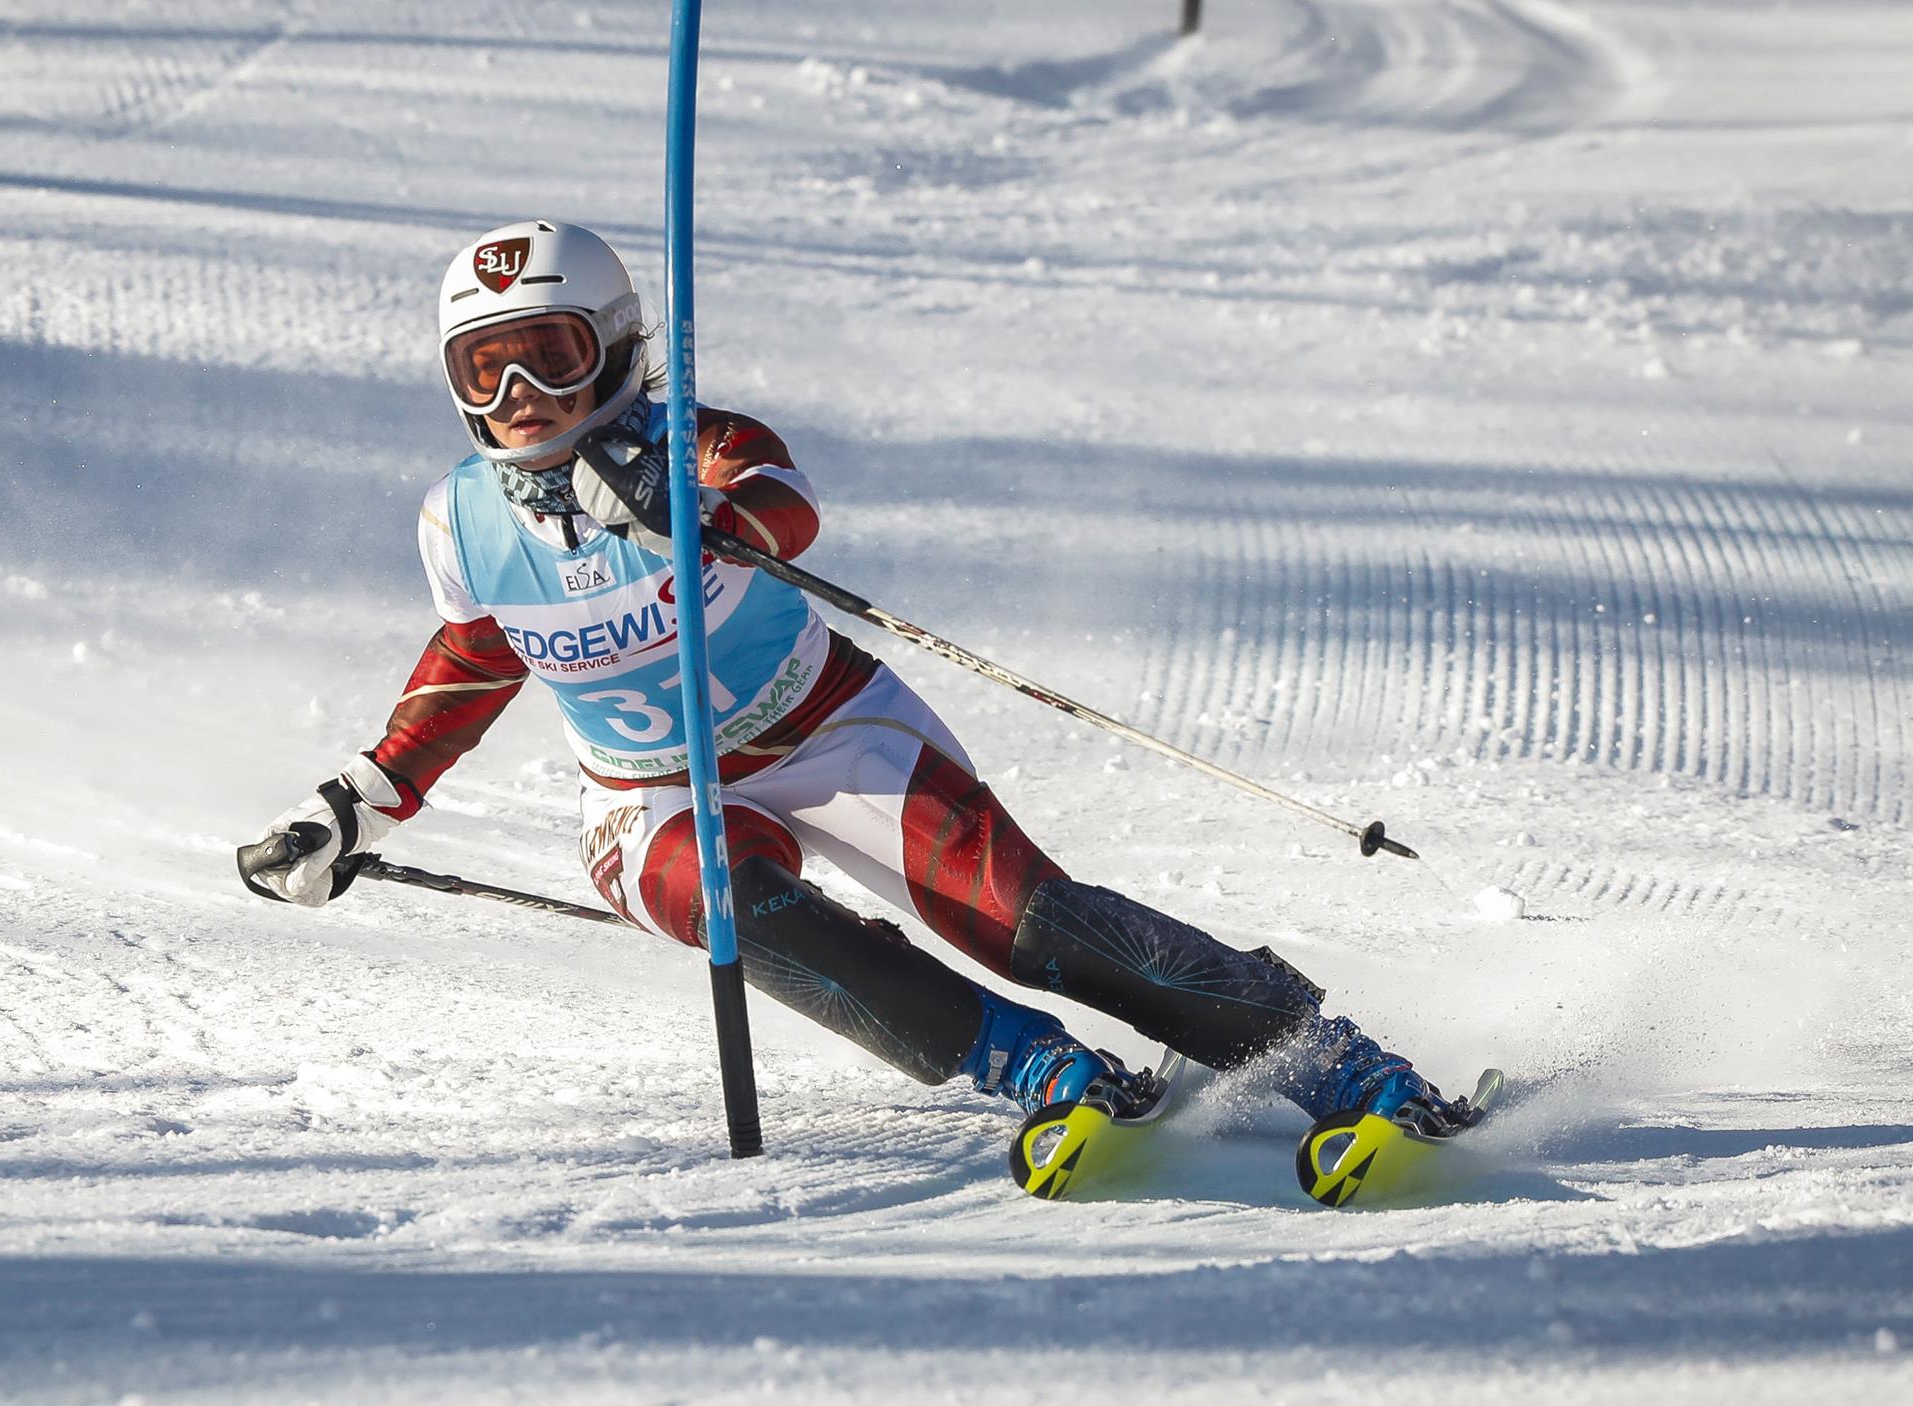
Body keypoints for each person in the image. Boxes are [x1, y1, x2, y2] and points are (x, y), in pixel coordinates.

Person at [252, 219, 1460, 1140]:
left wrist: (697, 513)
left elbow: (787, 504)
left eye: (551, 360)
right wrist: (352, 801)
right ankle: (1033, 1066)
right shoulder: (457, 518)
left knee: (1023, 920)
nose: (521, 403)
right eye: (486, 372)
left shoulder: (698, 444)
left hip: (824, 732)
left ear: (617, 347)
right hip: (648, 792)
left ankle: (1331, 1060)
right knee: (706, 890)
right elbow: (470, 660)